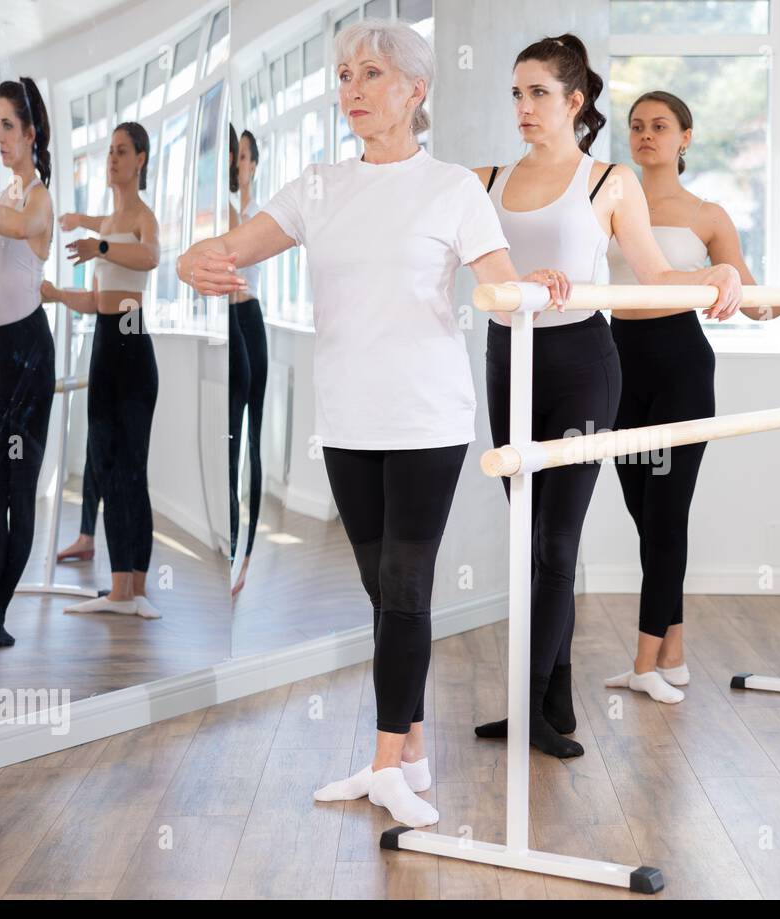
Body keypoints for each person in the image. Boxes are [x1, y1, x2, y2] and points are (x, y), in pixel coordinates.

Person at [176, 19, 563, 828]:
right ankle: (411, 751)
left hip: (427, 417)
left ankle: (386, 759)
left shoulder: (452, 187)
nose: (352, 88)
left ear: (416, 91)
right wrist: (193, 257)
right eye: (345, 74)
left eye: (372, 74)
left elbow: (502, 282)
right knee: (377, 588)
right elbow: (233, 246)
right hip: (348, 419)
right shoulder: (317, 186)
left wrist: (539, 283)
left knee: (404, 586)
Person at [469, 35, 744, 758]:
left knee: (559, 540)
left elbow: (651, 273)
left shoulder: (609, 180)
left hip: (586, 362)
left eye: (538, 93)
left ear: (573, 101)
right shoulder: (485, 178)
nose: (525, 107)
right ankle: (553, 698)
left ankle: (531, 705)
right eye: (516, 94)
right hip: (509, 359)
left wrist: (718, 279)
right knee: (530, 541)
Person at [602, 90, 780, 704]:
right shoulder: (604, 199)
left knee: (665, 512)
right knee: (641, 514)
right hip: (615, 364)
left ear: (686, 137)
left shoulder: (708, 215)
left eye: (659, 126)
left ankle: (645, 660)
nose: (646, 135)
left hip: (680, 366)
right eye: (636, 126)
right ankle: (672, 654)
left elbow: (754, 302)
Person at [44, 122, 162, 619]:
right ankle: (125, 591)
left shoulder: (140, 219)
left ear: (140, 159)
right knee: (109, 463)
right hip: (106, 344)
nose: (111, 158)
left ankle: (130, 590)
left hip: (133, 343)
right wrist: (55, 295)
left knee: (131, 470)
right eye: (108, 151)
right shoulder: (111, 223)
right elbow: (96, 300)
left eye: (121, 151)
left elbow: (152, 256)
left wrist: (100, 245)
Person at [0, 78, 55, 647]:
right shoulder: (4, 193)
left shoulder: (38, 198)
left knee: (15, 494)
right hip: (5, 360)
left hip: (29, 359)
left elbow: (23, 230)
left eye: (7, 125)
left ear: (29, 133)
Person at [228, 125, 267, 596]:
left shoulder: (257, 214)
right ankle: (230, 546)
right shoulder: (223, 211)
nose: (238, 164)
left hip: (251, 321)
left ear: (254, 163)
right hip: (228, 323)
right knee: (230, 444)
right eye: (233, 157)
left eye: (243, 156)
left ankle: (248, 557)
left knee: (253, 442)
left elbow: (240, 260)